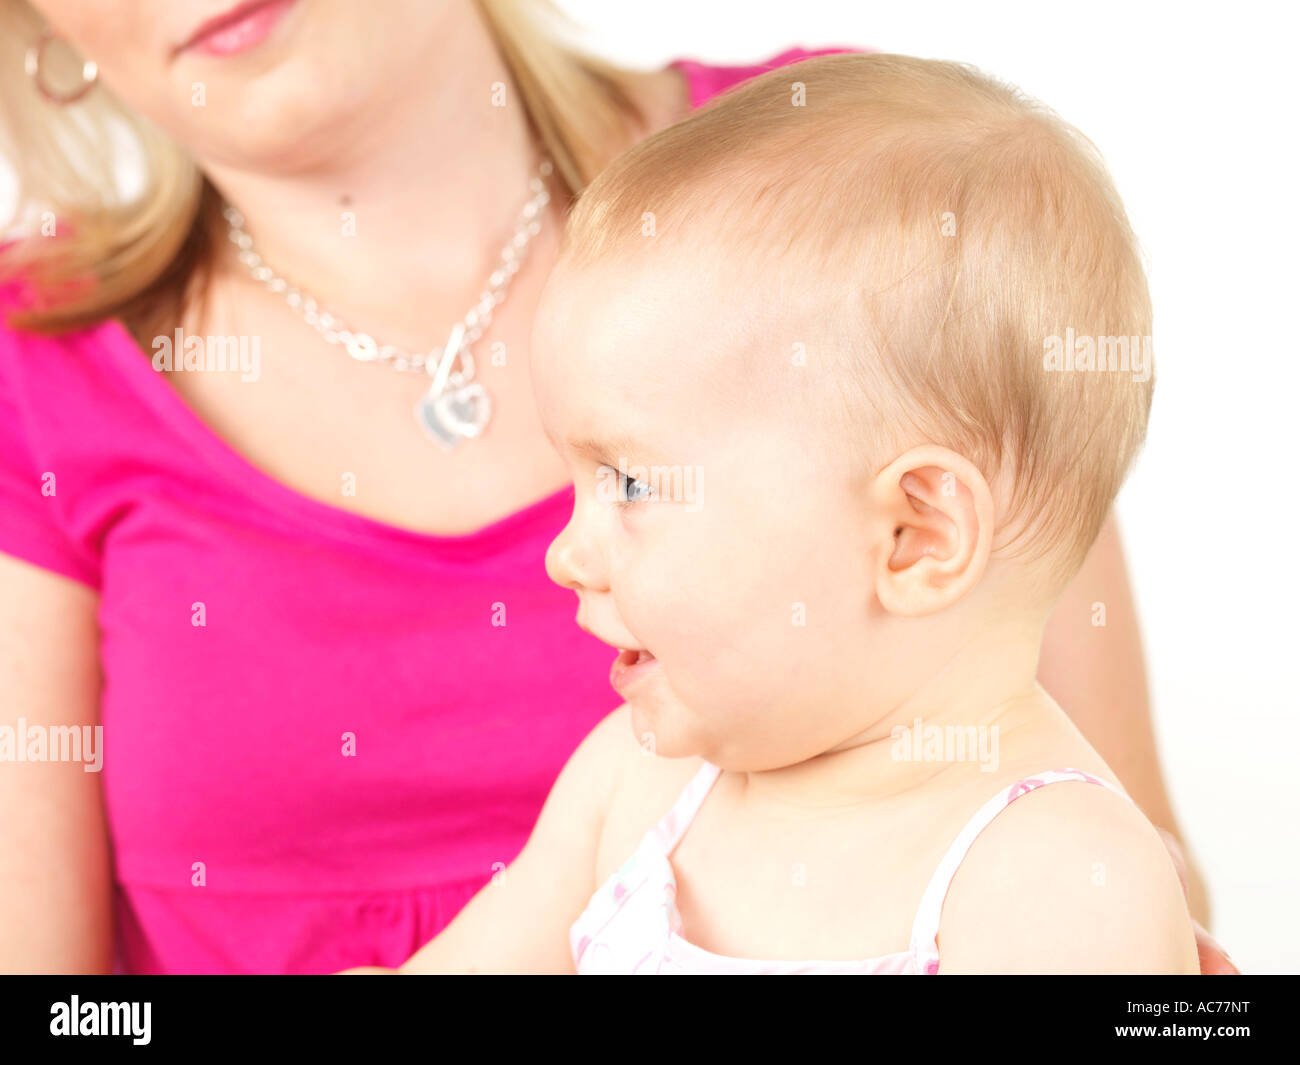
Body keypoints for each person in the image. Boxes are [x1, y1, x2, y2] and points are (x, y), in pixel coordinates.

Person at [0, 0, 1228, 973]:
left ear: (917, 533)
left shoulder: (858, 217)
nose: (563, 554)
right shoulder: (637, 788)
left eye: (630, 482)